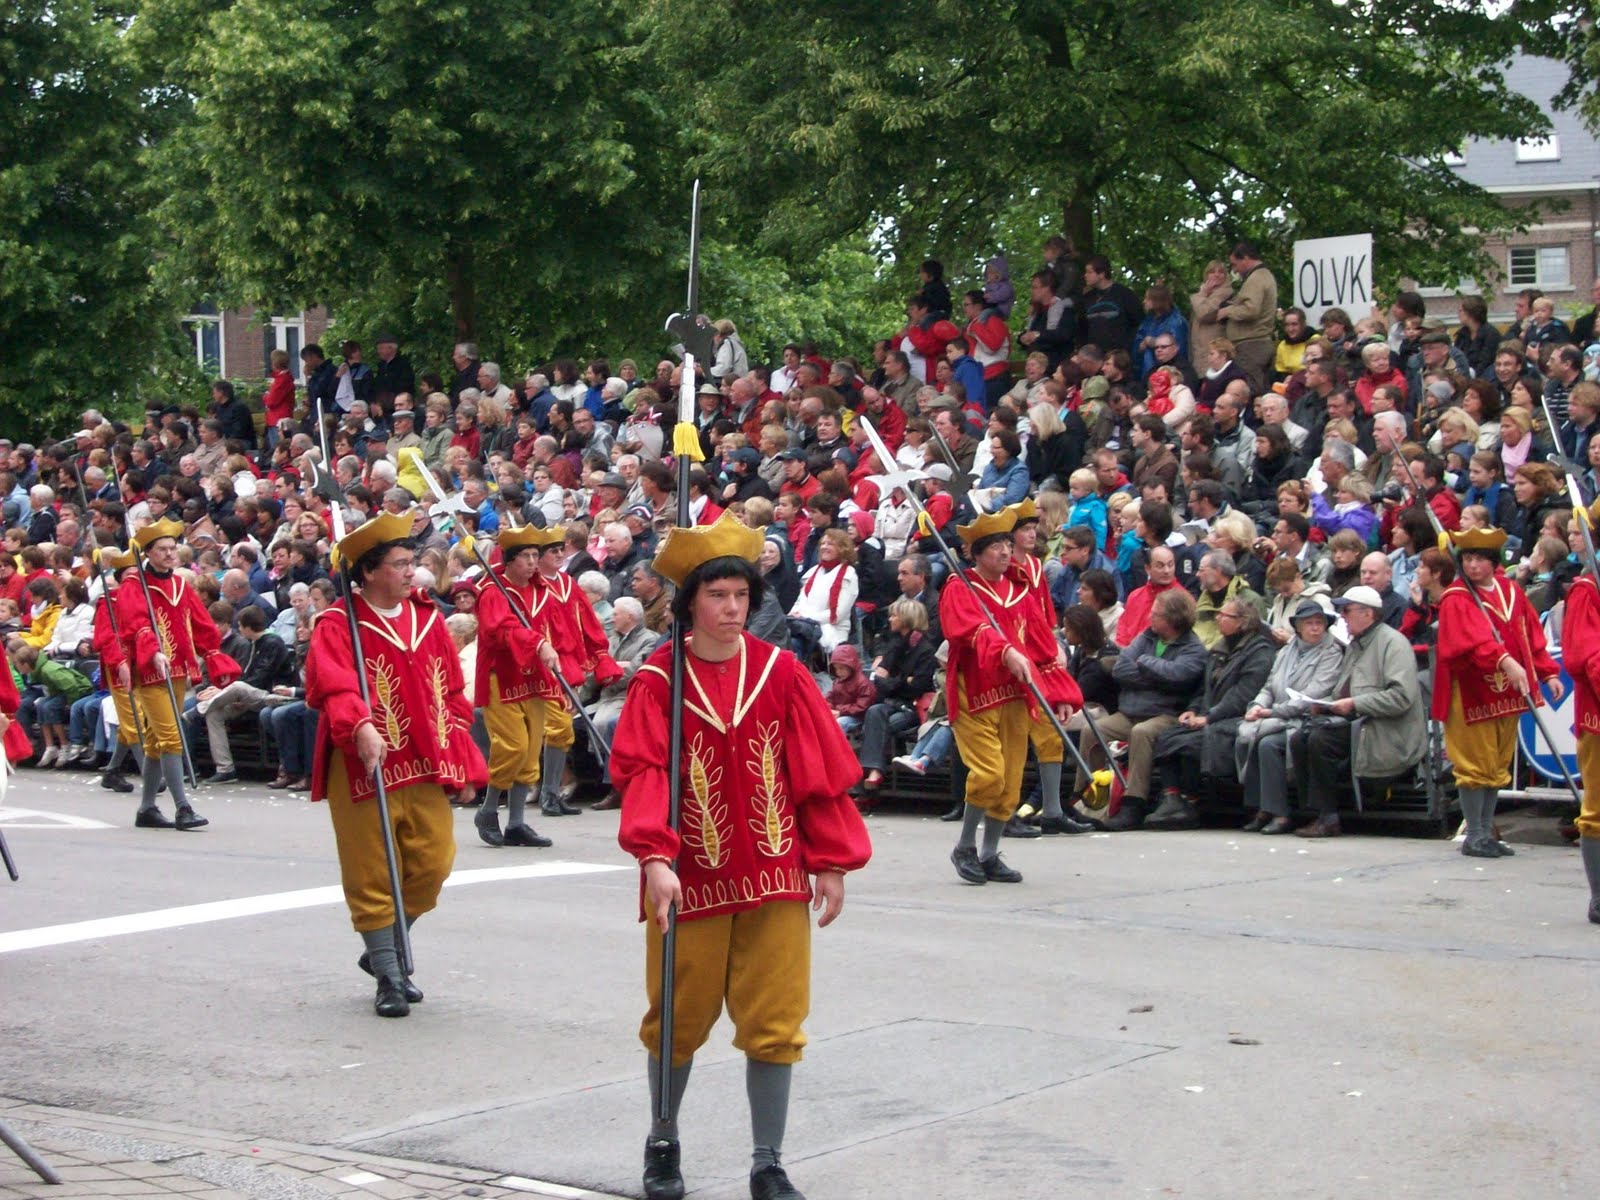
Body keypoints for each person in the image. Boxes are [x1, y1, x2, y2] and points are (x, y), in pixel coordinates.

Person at [609, 512, 871, 1200]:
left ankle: (769, 1160)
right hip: (687, 878)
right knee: (677, 1019)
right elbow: (646, 775)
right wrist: (654, 858)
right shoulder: (657, 681)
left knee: (776, 1023)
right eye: (718, 596)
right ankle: (663, 1140)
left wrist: (831, 859)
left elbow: (814, 772)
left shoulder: (782, 673)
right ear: (690, 601)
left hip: (775, 872)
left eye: (742, 597)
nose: (732, 610)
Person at [304, 509, 488, 1017]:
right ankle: (390, 973)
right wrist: (359, 724)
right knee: (372, 872)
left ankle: (386, 946)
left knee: (432, 863)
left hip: (425, 762)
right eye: (401, 564)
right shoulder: (337, 624)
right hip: (364, 764)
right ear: (368, 571)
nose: (412, 572)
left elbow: (451, 694)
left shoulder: (429, 618)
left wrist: (462, 759)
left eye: (412, 563)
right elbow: (332, 683)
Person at [939, 506, 1062, 883]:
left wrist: (1060, 691)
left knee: (1009, 779)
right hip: (975, 692)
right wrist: (1006, 651)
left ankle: (989, 852)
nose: (1006, 552)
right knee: (989, 774)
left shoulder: (1020, 592)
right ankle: (964, 846)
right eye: (995, 546)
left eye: (1008, 543)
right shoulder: (960, 589)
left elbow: (1041, 646)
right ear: (976, 554)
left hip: (1014, 694)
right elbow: (968, 631)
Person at [1433, 527, 1563, 857]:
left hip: (1506, 693)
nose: (1473, 566)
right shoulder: (1457, 597)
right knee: (1474, 763)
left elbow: (1530, 635)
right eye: (1468, 559)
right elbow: (1471, 642)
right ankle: (1473, 833)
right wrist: (1505, 661)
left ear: (1493, 563)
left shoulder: (1511, 592)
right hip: (1471, 689)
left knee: (1497, 763)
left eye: (1480, 559)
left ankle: (1488, 830)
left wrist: (1547, 672)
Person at [117, 518, 240, 831]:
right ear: (149, 553)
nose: (170, 554)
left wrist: (211, 653)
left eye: (173, 548)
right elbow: (135, 622)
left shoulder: (181, 584)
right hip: (149, 670)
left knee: (158, 743)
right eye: (163, 549)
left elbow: (199, 623)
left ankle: (146, 808)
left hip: (176, 670)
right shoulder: (135, 585)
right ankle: (183, 807)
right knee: (171, 738)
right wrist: (150, 648)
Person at [1286, 585, 1426, 837]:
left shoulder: (1394, 644)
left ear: (1367, 613)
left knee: (1321, 740)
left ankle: (1328, 817)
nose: (1342, 617)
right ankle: (1316, 811)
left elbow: (1401, 697)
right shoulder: (1355, 645)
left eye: (1346, 611)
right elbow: (1342, 691)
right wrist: (1322, 703)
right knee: (1300, 737)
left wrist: (1354, 704)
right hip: (1357, 724)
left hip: (1385, 731)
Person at [1080, 588, 1208, 831]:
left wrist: (1145, 663)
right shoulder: (1146, 637)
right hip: (1130, 711)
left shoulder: (1193, 648)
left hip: (1166, 714)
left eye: (1156, 614)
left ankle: (1133, 802)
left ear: (1172, 619)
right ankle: (1088, 797)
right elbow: (1120, 669)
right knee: (1092, 731)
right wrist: (1157, 676)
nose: (1150, 617)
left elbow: (1179, 676)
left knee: (1142, 733)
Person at [471, 524, 567, 847]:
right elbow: (499, 631)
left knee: (530, 752)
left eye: (534, 555)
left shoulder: (543, 592)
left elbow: (559, 632)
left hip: (536, 678)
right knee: (511, 746)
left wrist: (570, 670)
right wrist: (538, 643)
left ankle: (516, 823)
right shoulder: (492, 592)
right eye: (524, 556)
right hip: (503, 677)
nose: (531, 561)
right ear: (509, 561)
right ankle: (487, 810)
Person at [1147, 600, 1276, 829]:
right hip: (1207, 714)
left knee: (1190, 743)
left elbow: (1241, 695)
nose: (1218, 618)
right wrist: (1193, 709)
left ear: (1241, 622)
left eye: (1225, 615)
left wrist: (1209, 717)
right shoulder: (1219, 649)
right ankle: (1172, 797)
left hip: (1233, 718)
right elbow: (1204, 689)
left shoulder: (1259, 652)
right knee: (1169, 735)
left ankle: (1191, 801)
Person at [1005, 500, 1087, 834]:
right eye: (1023, 529)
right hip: (1013, 656)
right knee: (1011, 739)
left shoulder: (1037, 568)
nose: (1030, 534)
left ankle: (1052, 809)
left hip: (1039, 653)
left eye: (1031, 528)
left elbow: (1042, 615)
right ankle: (1004, 810)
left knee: (1050, 732)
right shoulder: (1004, 568)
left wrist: (1054, 645)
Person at [1235, 598, 1345, 833]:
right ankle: (1263, 809)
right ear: (1298, 627)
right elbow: (1269, 686)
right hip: (1276, 715)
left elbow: (1314, 693)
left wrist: (1272, 711)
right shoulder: (1286, 651)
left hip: (1305, 718)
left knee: (1268, 744)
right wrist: (1257, 706)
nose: (1315, 628)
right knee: (1257, 737)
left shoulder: (1332, 653)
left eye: (1319, 623)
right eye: (1309, 623)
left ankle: (1279, 813)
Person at [1560, 552, 1600, 923]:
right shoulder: (1587, 590)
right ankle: (1599, 896)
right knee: (1599, 810)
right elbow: (1581, 656)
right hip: (1598, 716)